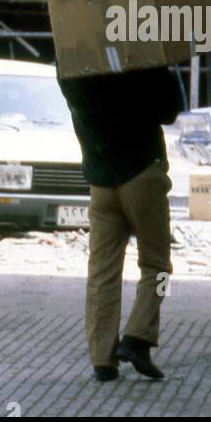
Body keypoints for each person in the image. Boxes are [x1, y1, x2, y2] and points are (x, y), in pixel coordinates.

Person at [58, 65, 182, 382]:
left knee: (102, 270)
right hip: (142, 174)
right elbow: (170, 111)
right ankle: (138, 338)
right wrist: (166, 68)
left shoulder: (71, 68)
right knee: (159, 267)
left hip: (100, 182)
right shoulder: (137, 63)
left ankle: (102, 359)